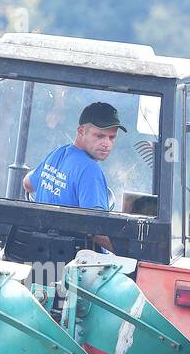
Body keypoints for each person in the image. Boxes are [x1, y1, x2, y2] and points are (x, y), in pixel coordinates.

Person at [23, 101, 124, 251]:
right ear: (81, 131)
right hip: (77, 264)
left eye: (111, 137)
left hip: (42, 254)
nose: (107, 144)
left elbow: (28, 184)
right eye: (100, 136)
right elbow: (95, 229)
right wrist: (128, 252)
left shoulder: (57, 154)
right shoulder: (90, 170)